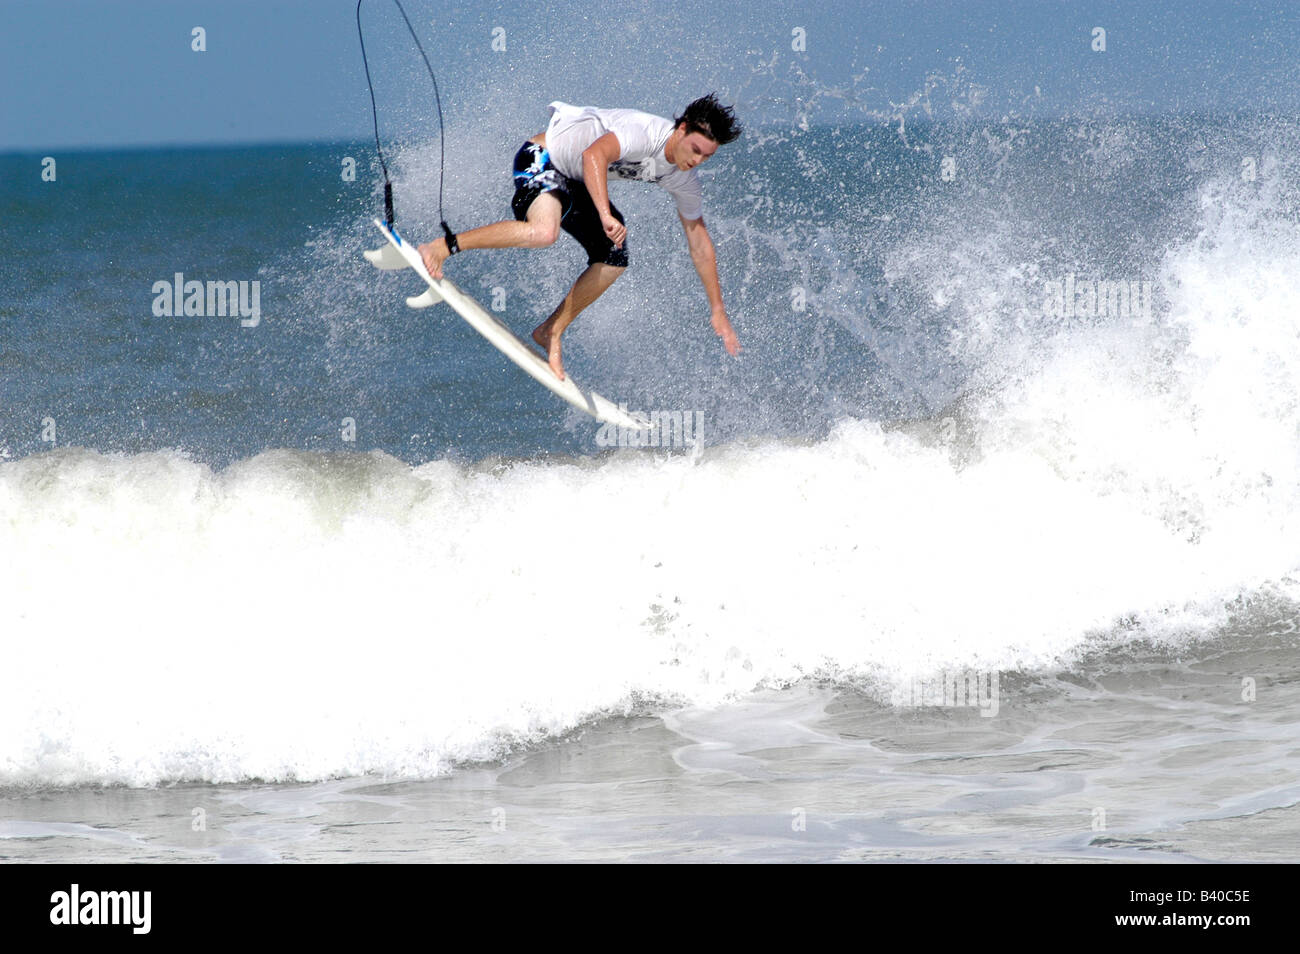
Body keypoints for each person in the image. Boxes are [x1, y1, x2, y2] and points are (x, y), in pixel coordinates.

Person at [419, 94, 743, 381]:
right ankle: (442, 247)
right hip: (543, 158)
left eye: (706, 157)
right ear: (682, 129)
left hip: (573, 181)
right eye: (696, 150)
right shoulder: (645, 133)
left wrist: (718, 309)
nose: (697, 161)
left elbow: (698, 240)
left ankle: (551, 330)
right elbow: (593, 156)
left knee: (614, 259)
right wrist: (604, 214)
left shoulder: (682, 178)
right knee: (544, 232)